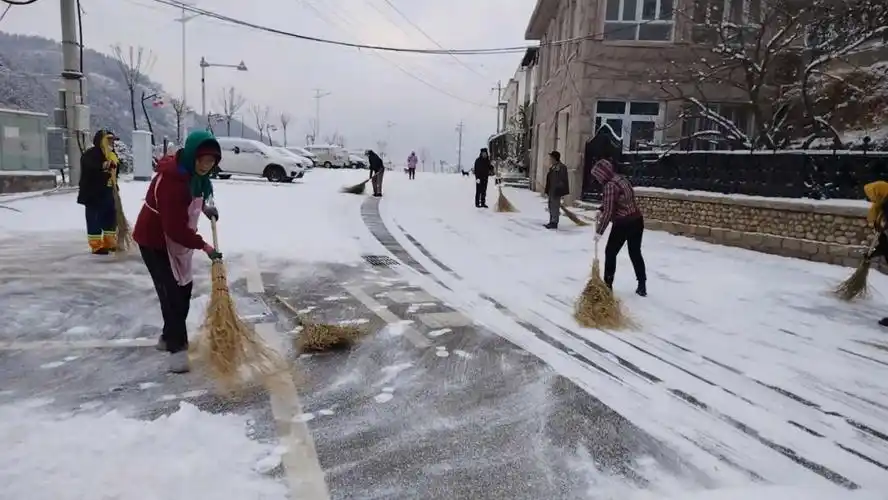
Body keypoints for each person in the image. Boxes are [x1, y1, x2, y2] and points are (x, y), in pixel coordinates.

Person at [132, 130, 223, 374]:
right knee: (171, 293)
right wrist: (204, 245)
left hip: (177, 242)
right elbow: (173, 229)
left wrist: (207, 208)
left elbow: (199, 194)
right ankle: (177, 349)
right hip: (155, 241)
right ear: (192, 156)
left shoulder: (195, 177)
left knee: (184, 290)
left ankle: (167, 335)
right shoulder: (172, 182)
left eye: (211, 162)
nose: (206, 166)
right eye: (202, 160)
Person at [591, 154, 646, 297]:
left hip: (623, 224)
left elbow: (609, 211)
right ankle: (642, 285)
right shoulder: (621, 179)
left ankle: (607, 287)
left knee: (610, 252)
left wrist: (599, 231)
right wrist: (600, 208)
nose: (597, 179)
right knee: (635, 253)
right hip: (637, 220)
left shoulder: (609, 185)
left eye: (597, 176)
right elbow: (618, 201)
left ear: (602, 173)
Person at [76, 129, 119, 254]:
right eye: (109, 140)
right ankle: (96, 245)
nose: (112, 143)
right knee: (95, 219)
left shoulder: (112, 154)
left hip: (109, 192)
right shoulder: (91, 155)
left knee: (110, 217)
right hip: (94, 194)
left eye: (113, 140)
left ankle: (109, 241)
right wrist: (105, 167)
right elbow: (92, 169)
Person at [864, 181, 888, 326]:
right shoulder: (881, 207)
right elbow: (884, 240)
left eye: (873, 194)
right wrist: (872, 253)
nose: (871, 198)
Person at [544, 151, 570, 229]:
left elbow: (563, 179)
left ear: (555, 158)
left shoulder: (562, 167)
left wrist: (559, 189)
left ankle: (554, 222)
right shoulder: (553, 167)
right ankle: (551, 221)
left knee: (555, 206)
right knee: (551, 206)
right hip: (551, 189)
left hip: (556, 190)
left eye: (551, 158)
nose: (550, 159)